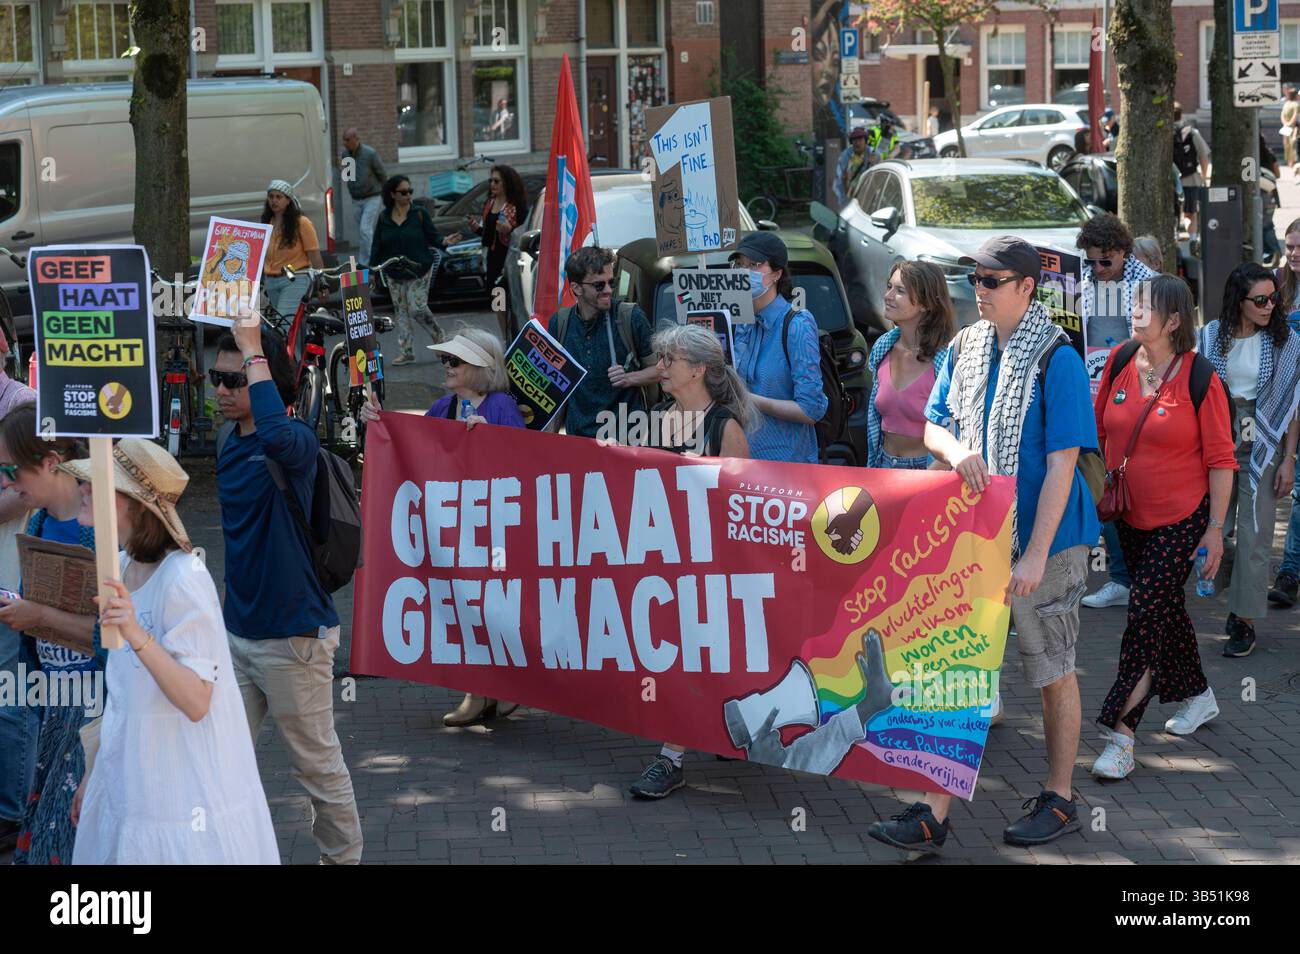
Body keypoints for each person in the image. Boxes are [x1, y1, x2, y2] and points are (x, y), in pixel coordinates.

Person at [870, 236, 1099, 854]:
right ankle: (931, 810)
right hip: (974, 538)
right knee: (957, 667)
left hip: (1045, 543)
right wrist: (955, 451)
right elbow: (935, 423)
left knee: (1052, 669)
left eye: (993, 281)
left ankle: (1060, 798)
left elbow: (1063, 464)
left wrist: (1032, 553)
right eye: (975, 278)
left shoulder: (1059, 357)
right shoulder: (967, 346)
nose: (980, 289)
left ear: (1027, 287)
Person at [67, 439, 279, 864]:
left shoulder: (183, 578)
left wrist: (135, 633)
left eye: (98, 481)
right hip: (135, 777)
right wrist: (98, 771)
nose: (83, 487)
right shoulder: (124, 566)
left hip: (181, 788)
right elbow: (125, 691)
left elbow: (197, 699)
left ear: (132, 503)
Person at [212, 321, 363, 864]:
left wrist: (254, 344)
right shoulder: (228, 442)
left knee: (317, 766)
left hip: (294, 639)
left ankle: (341, 861)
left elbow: (275, 433)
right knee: (218, 756)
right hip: (237, 637)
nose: (224, 392)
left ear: (267, 383)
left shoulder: (293, 441)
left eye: (237, 380)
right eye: (217, 380)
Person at [1090, 277, 1236, 780]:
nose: (1133, 311)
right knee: (1164, 611)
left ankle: (1121, 735)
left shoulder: (1201, 378)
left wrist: (1214, 529)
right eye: (1133, 302)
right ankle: (1198, 695)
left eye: (1143, 305)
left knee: (1145, 612)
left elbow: (1221, 460)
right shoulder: (1120, 360)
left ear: (1173, 320)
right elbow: (1099, 427)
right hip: (1129, 514)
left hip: (1184, 517)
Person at [360, 328, 525, 726]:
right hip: (453, 530)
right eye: (445, 360)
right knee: (463, 604)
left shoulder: (502, 406)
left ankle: (501, 688)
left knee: (494, 606)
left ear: (482, 367)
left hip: (492, 530)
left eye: (456, 361)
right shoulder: (442, 407)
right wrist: (377, 422)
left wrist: (492, 440)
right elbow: (407, 444)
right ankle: (480, 689)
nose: (447, 367)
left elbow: (524, 463)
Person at [627, 323, 755, 799]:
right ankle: (722, 730)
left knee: (688, 659)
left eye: (670, 361)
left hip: (710, 568)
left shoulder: (725, 427)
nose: (660, 369)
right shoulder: (655, 417)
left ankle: (672, 757)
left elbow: (740, 505)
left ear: (698, 369)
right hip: (665, 564)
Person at [0, 404, 99, 865]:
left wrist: (36, 613)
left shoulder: (104, 529)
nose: (8, 482)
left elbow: (120, 638)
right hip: (55, 715)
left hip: (96, 718)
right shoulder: (37, 523)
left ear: (51, 463)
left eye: (11, 469)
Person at [1198, 263, 1300, 657]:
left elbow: (1292, 405)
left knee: (1255, 534)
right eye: (1260, 300)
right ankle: (1230, 590)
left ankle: (1244, 621)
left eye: (1273, 298)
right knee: (1215, 528)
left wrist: (1289, 458)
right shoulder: (1210, 337)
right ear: (1237, 302)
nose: (1269, 306)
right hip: (1218, 437)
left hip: (1266, 439)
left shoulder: (1285, 342)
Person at [1077, 213, 1157, 612]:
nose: (1096, 269)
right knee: (1106, 487)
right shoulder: (1085, 281)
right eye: (1090, 261)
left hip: (1134, 400)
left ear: (1123, 253)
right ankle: (1125, 579)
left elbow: (1155, 348)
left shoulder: (1146, 286)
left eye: (1105, 261)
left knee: (1135, 488)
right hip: (1095, 398)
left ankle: (1141, 578)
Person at [730, 232, 828, 464]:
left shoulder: (797, 324)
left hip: (787, 467)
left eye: (754, 265)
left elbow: (811, 410)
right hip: (743, 461)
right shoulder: (738, 321)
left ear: (776, 273)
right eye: (739, 264)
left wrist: (748, 399)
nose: (745, 272)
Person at [546, 245, 660, 439]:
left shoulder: (630, 317)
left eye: (611, 282)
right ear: (576, 288)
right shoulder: (560, 323)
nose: (608, 290)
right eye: (599, 285)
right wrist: (551, 441)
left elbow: (661, 370)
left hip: (629, 441)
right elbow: (559, 388)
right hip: (581, 443)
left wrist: (629, 378)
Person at [867, 261, 955, 470]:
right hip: (883, 464)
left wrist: (925, 482)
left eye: (900, 291)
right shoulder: (883, 348)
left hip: (927, 471)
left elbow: (958, 431)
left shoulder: (947, 360)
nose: (887, 296)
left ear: (926, 304)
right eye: (889, 287)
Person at [0, 360, 34, 853]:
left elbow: (22, 493)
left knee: (11, 698)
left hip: (10, 580)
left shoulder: (22, 406)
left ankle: (12, 812)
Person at [370, 174, 447, 364]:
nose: (408, 195)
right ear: (392, 194)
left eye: (410, 191)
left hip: (418, 268)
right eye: (404, 192)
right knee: (401, 311)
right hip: (393, 271)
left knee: (416, 307)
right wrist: (372, 271)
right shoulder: (384, 217)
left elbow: (433, 236)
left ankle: (438, 334)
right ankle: (407, 351)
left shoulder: (419, 213)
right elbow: (377, 245)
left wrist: (444, 242)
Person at [445, 165, 529, 338]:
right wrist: (477, 228)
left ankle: (519, 336)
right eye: (490, 180)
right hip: (493, 259)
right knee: (498, 302)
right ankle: (506, 338)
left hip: (510, 258)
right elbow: (488, 233)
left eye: (496, 181)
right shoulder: (489, 203)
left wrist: (508, 230)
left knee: (514, 300)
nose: (492, 184)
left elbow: (522, 233)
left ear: (506, 183)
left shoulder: (516, 206)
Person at [1269, 219, 1300, 606]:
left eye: (1299, 247)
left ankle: (1290, 571)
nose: (1293, 253)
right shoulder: (1278, 286)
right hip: (1284, 403)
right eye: (1290, 246)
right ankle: (1290, 571)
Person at [260, 179, 326, 322]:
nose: (274, 201)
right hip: (271, 282)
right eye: (271, 197)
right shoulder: (267, 222)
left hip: (295, 279)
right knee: (282, 327)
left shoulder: (302, 223)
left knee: (284, 325)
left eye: (279, 197)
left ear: (288, 200)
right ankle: (300, 344)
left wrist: (322, 283)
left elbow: (315, 256)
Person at [341, 128, 388, 267]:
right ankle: (370, 258)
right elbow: (347, 176)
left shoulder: (370, 153)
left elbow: (382, 173)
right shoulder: (345, 155)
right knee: (363, 232)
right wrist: (351, 187)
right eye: (344, 140)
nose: (345, 143)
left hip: (372, 197)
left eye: (347, 140)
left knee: (364, 229)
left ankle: (368, 262)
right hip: (356, 198)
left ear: (356, 138)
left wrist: (387, 192)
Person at [1173, 104, 1210, 236]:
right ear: (1181, 115)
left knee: (1172, 215)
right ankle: (1192, 240)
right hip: (1191, 180)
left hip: (1171, 182)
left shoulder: (1164, 133)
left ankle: (1174, 239)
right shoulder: (1191, 132)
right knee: (1190, 214)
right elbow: (1204, 156)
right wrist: (1204, 177)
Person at [833, 128, 869, 207]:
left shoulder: (873, 154)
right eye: (854, 140)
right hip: (849, 198)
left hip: (868, 197)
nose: (857, 143)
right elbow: (839, 180)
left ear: (865, 141)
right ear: (851, 142)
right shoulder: (846, 155)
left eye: (860, 140)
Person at [1282, 85, 1299, 174]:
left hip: (1290, 127)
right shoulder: (1291, 104)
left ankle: (1291, 163)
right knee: (1289, 145)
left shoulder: (1291, 104)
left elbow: (1294, 116)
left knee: (1290, 145)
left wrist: (1286, 123)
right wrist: (1287, 123)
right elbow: (1284, 115)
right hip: (1289, 127)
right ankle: (1290, 163)